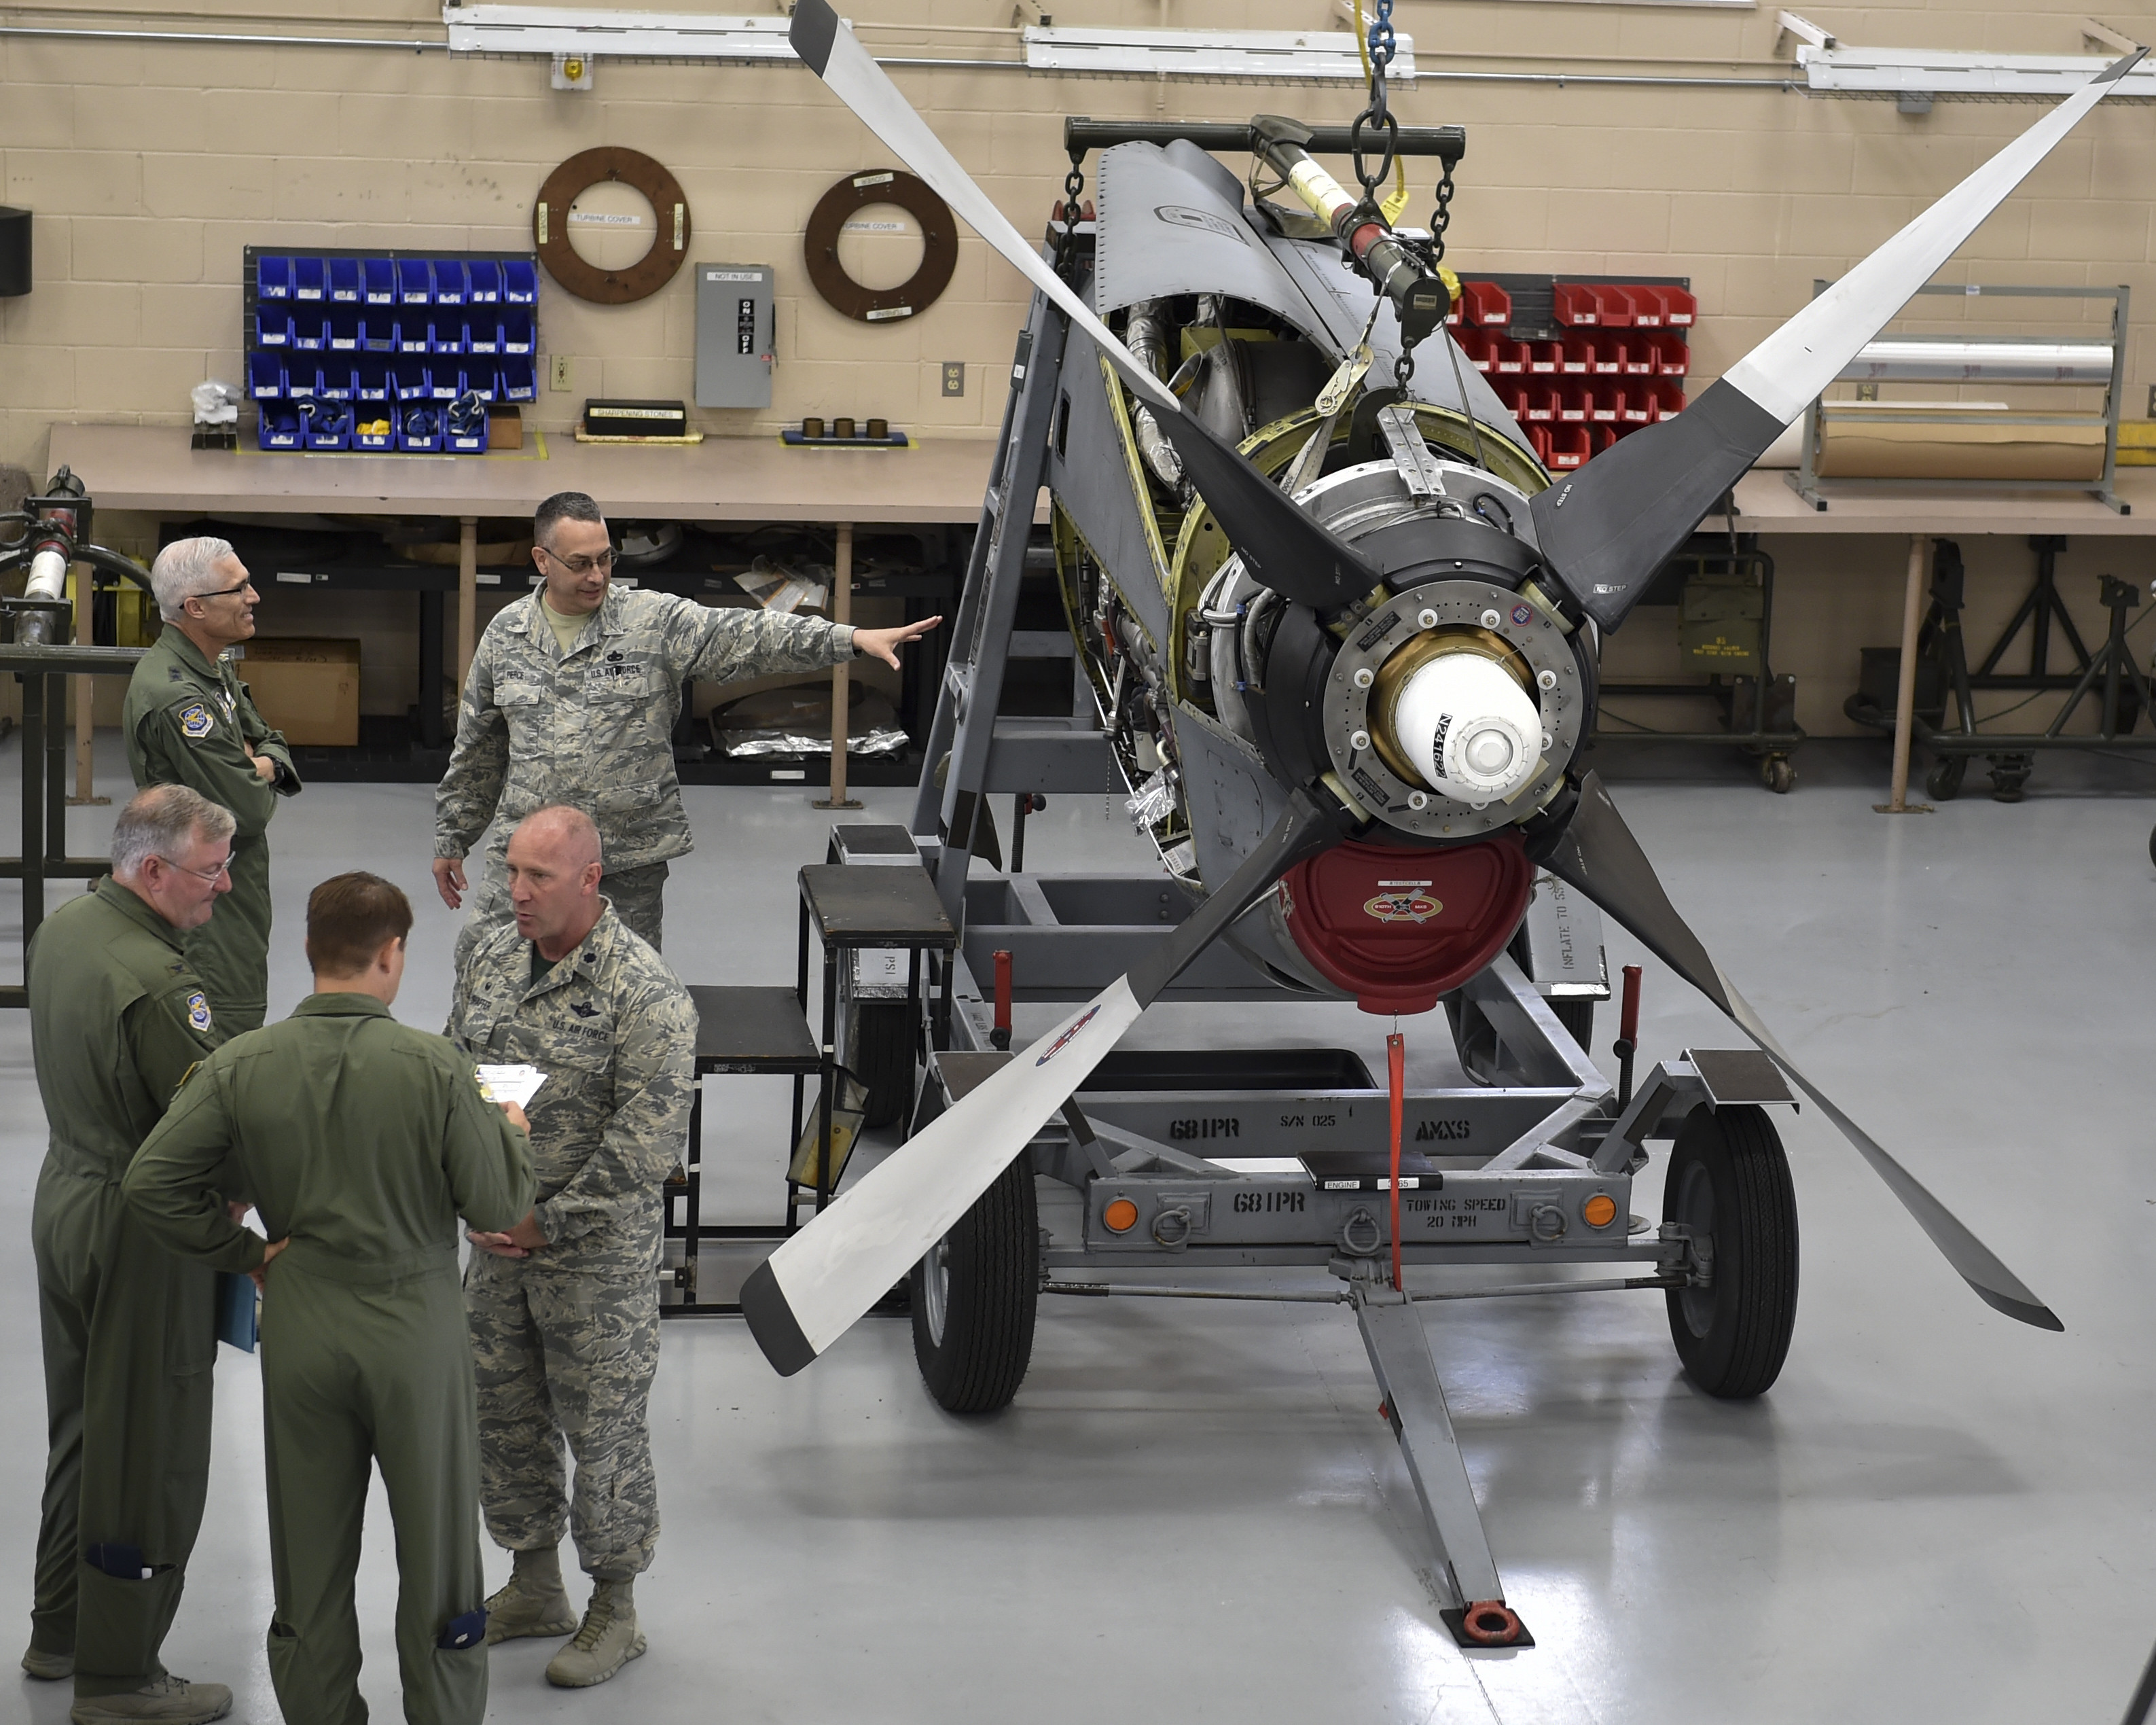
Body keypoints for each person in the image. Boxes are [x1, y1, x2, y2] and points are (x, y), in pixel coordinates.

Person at [122, 872, 535, 1725]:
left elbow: (152, 1182)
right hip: (414, 1329)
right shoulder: (437, 1068)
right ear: (392, 956)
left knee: (306, 1557)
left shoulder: (241, 1064)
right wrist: (511, 1136)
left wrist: (244, 1251)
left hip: (303, 1321)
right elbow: (497, 1206)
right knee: (439, 1558)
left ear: (308, 952)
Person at [432, 489, 939, 960]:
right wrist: (452, 836)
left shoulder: (651, 622)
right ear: (543, 560)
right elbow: (478, 746)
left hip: (623, 859)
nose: (597, 575)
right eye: (580, 563)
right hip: (530, 858)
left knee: (620, 999)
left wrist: (850, 639)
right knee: (487, 972)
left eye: (606, 558)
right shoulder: (508, 633)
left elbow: (748, 635)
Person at [448, 805, 698, 1690]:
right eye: (510, 870)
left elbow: (647, 1146)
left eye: (538, 876)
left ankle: (615, 1604)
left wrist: (544, 1220)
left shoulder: (645, 993)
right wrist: (469, 1183)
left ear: (590, 879)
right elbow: (455, 1068)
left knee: (603, 1431)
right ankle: (534, 1581)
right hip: (495, 1243)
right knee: (502, 1413)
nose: (516, 890)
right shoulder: (486, 953)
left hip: (592, 1259)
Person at [24, 785, 234, 1725]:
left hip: (66, 1194)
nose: (224, 886)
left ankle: (60, 1628)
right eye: (210, 869)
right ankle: (121, 1674)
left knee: (81, 1430)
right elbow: (212, 1129)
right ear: (153, 871)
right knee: (149, 1446)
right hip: (140, 1232)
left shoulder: (66, 932)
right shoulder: (162, 987)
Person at [124, 537, 303, 1035]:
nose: (254, 596)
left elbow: (273, 742)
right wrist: (257, 769)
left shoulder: (212, 666)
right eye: (239, 587)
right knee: (220, 1044)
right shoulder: (177, 697)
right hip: (206, 904)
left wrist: (259, 761)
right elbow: (247, 806)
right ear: (195, 607)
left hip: (233, 887)